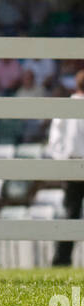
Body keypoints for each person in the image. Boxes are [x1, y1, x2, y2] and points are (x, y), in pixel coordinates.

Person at [48, 69, 84, 266]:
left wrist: (62, 161)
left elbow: (54, 141)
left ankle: (61, 261)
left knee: (70, 214)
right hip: (73, 163)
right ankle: (61, 260)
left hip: (71, 165)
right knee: (70, 213)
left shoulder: (65, 107)